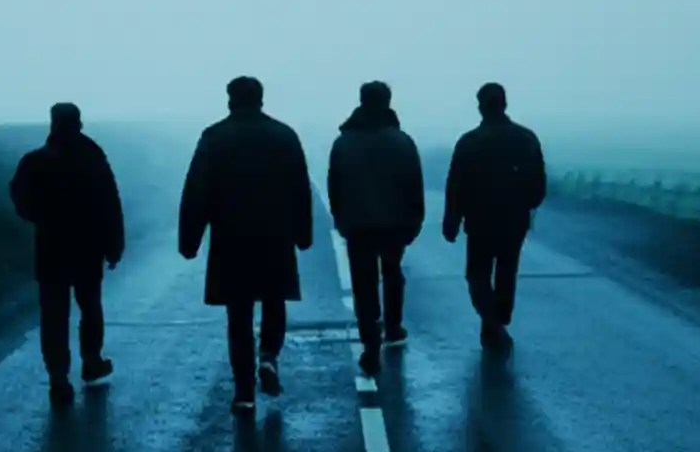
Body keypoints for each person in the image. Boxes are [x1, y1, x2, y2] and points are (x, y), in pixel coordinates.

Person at [179, 76, 313, 413]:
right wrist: (303, 232)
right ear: (261, 99)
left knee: (238, 315)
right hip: (275, 235)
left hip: (231, 237)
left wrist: (190, 238)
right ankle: (268, 355)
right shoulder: (284, 136)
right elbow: (300, 188)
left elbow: (197, 191)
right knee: (273, 299)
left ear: (230, 99)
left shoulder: (214, 138)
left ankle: (243, 392)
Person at [10, 102, 125, 404]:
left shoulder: (36, 161)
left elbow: (19, 196)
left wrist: (38, 217)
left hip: (51, 249)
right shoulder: (92, 156)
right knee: (89, 308)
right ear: (79, 123)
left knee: (54, 315)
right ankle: (91, 362)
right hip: (87, 247)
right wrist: (114, 244)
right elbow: (110, 202)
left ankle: (58, 378)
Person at [327, 81, 425, 376]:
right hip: (395, 223)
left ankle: (370, 342)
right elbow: (414, 185)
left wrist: (341, 220)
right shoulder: (402, 141)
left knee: (363, 283)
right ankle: (393, 326)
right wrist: (414, 221)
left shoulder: (344, 142)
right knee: (393, 272)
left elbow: (335, 187)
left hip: (358, 225)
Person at [442, 83, 546, 350]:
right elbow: (538, 184)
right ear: (504, 104)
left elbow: (456, 185)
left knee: (477, 273)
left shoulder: (469, 142)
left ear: (480, 106)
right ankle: (498, 319)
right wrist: (525, 205)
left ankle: (493, 322)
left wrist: (452, 220)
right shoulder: (526, 138)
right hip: (514, 219)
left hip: (480, 221)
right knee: (507, 270)